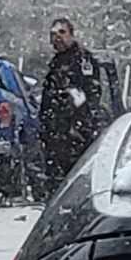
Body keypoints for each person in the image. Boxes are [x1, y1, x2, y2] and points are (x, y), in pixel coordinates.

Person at [39, 18, 102, 185]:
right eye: (53, 34)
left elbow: (90, 94)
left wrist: (77, 122)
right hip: (55, 131)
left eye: (62, 32)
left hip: (75, 131)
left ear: (72, 35)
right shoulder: (56, 63)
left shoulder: (82, 60)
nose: (57, 38)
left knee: (74, 175)